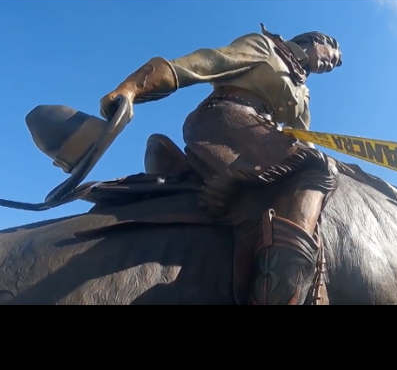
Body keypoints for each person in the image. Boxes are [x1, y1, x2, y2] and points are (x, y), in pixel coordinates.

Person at [98, 26, 343, 305]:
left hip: (261, 135)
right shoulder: (268, 47)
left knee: (317, 172)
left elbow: (302, 135)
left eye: (333, 66)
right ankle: (274, 296)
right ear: (316, 41)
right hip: (224, 121)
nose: (330, 65)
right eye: (331, 56)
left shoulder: (303, 91)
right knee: (318, 171)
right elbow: (208, 62)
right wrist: (133, 87)